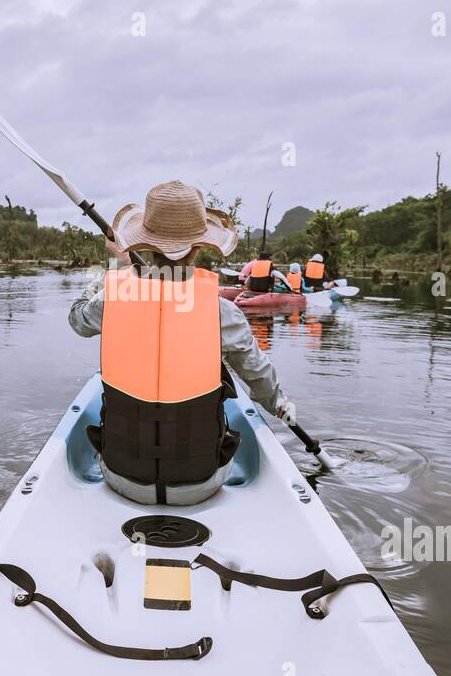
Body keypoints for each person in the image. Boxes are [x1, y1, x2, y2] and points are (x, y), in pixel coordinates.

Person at [69, 181, 293, 506]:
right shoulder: (223, 312)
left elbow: (78, 320)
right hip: (201, 482)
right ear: (200, 246)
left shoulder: (113, 297)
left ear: (143, 244)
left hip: (121, 476)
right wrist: (281, 406)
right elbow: (260, 380)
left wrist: (113, 269)